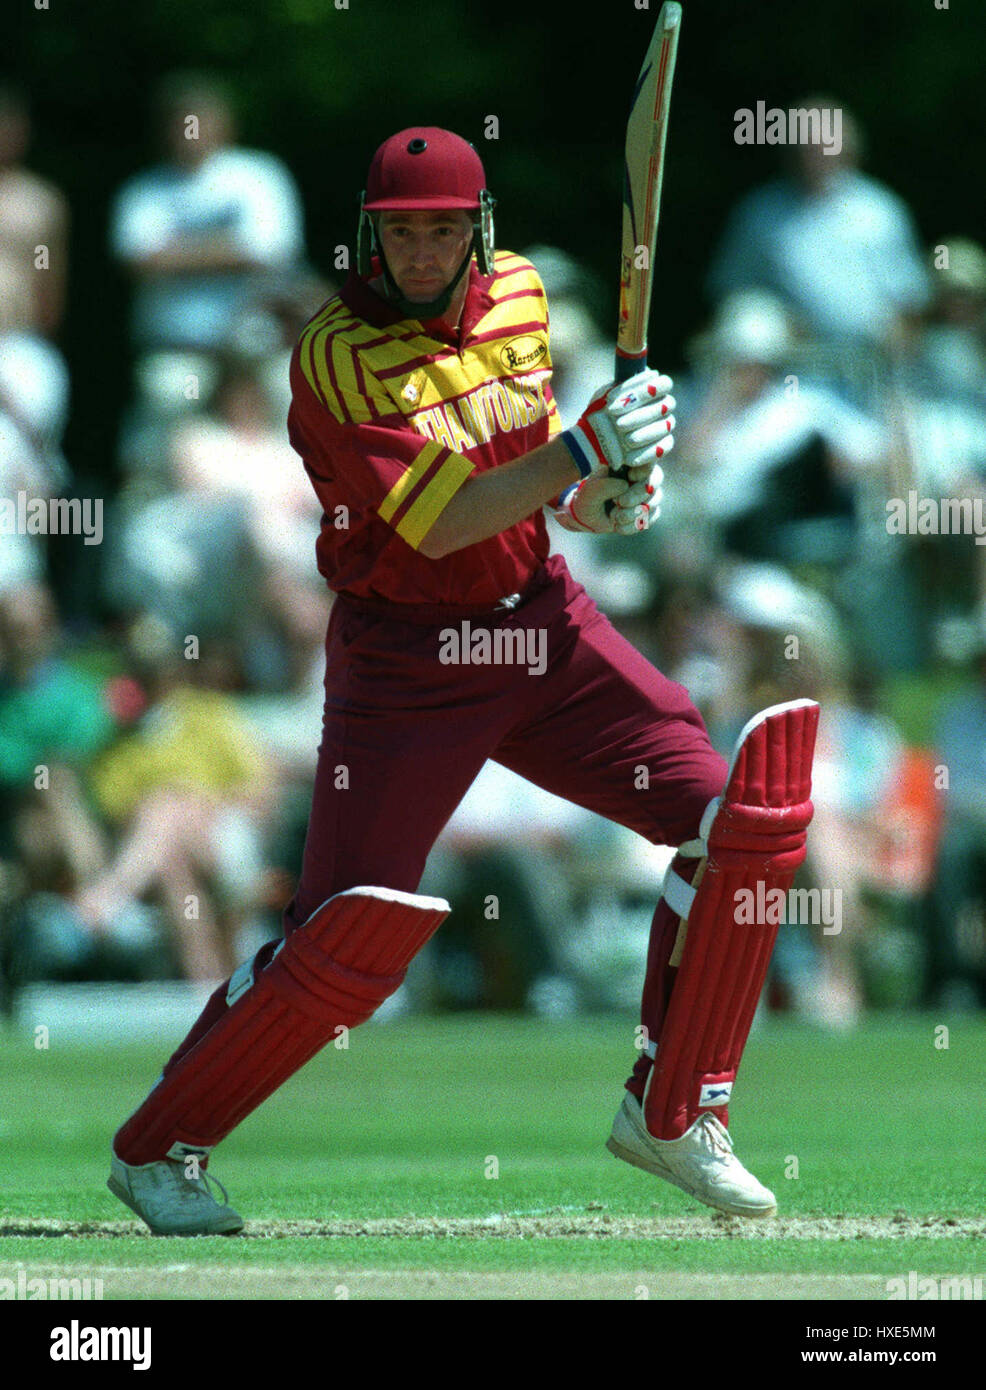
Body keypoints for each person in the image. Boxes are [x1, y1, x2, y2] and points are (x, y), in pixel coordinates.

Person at [105, 128, 818, 1235]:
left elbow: (526, 476)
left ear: (477, 231)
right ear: (368, 234)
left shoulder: (523, 295)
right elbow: (442, 522)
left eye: (444, 229)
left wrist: (605, 496)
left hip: (542, 626)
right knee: (344, 934)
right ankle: (160, 1150)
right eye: (403, 232)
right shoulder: (336, 355)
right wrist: (583, 454)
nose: (425, 251)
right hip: (407, 660)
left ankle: (674, 1111)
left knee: (743, 819)